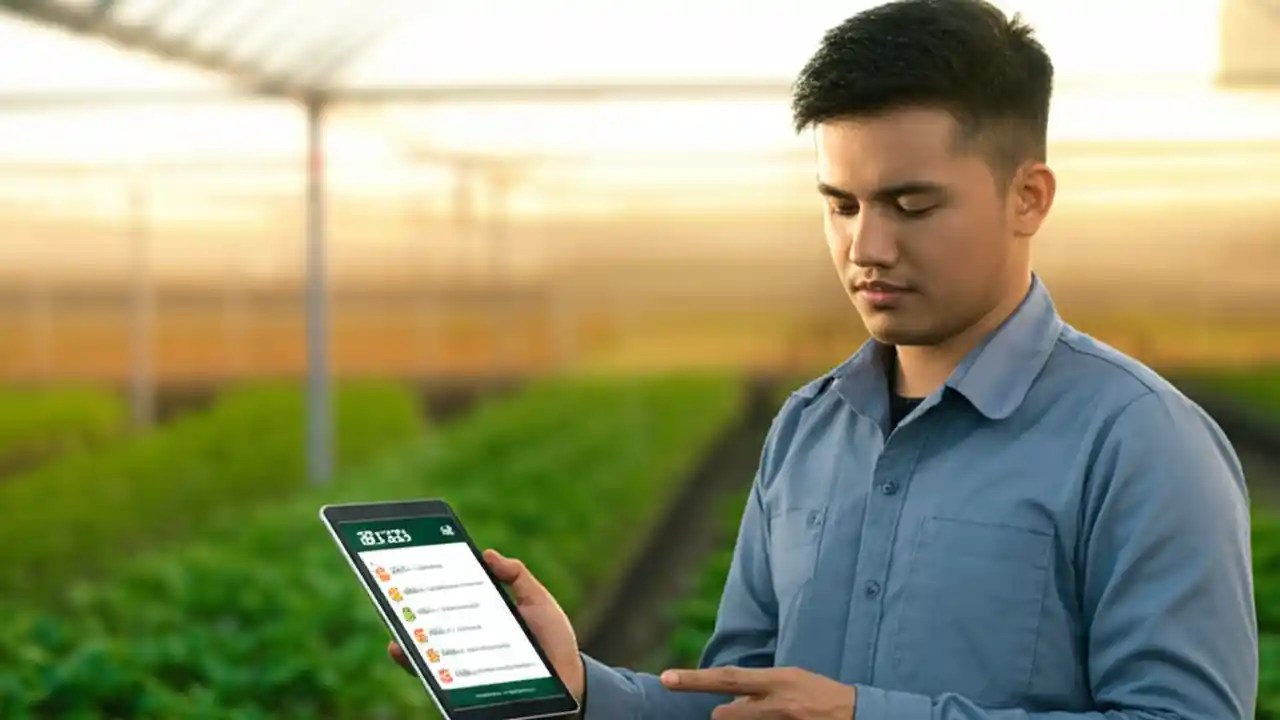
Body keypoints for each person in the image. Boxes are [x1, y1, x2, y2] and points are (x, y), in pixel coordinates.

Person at [392, 0, 1258, 717]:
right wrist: (583, 687)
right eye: (841, 205)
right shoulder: (809, 429)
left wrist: (860, 715)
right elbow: (742, 701)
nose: (866, 248)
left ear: (1028, 198)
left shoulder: (1140, 442)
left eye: (911, 205)